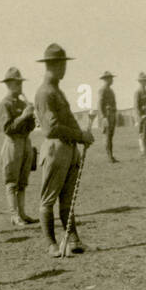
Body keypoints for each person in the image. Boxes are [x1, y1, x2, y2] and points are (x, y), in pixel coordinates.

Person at [33, 43, 95, 257]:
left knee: (68, 200)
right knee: (48, 199)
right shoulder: (45, 92)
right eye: (62, 64)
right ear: (54, 65)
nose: (65, 69)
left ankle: (74, 240)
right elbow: (51, 128)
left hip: (69, 150)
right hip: (55, 150)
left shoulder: (57, 91)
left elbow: (67, 120)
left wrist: (83, 136)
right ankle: (51, 244)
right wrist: (79, 136)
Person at [0, 66, 37, 225]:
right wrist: (23, 116)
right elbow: (7, 128)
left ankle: (22, 213)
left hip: (25, 142)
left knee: (23, 181)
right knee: (12, 182)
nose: (20, 86)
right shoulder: (4, 104)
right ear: (9, 84)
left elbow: (31, 127)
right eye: (17, 83)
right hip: (13, 144)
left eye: (21, 82)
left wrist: (31, 117)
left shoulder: (22, 103)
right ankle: (14, 215)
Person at [98, 71, 118, 163]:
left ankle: (111, 156)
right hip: (106, 116)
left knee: (110, 136)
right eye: (110, 78)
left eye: (112, 78)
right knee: (107, 136)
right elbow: (100, 104)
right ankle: (109, 157)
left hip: (112, 115)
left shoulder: (111, 90)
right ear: (105, 79)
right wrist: (103, 117)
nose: (112, 80)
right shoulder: (103, 90)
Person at [134, 72, 146, 157]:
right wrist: (140, 115)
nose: (145, 82)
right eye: (143, 80)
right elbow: (136, 106)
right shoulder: (138, 92)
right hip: (142, 116)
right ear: (140, 82)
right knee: (142, 133)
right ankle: (144, 151)